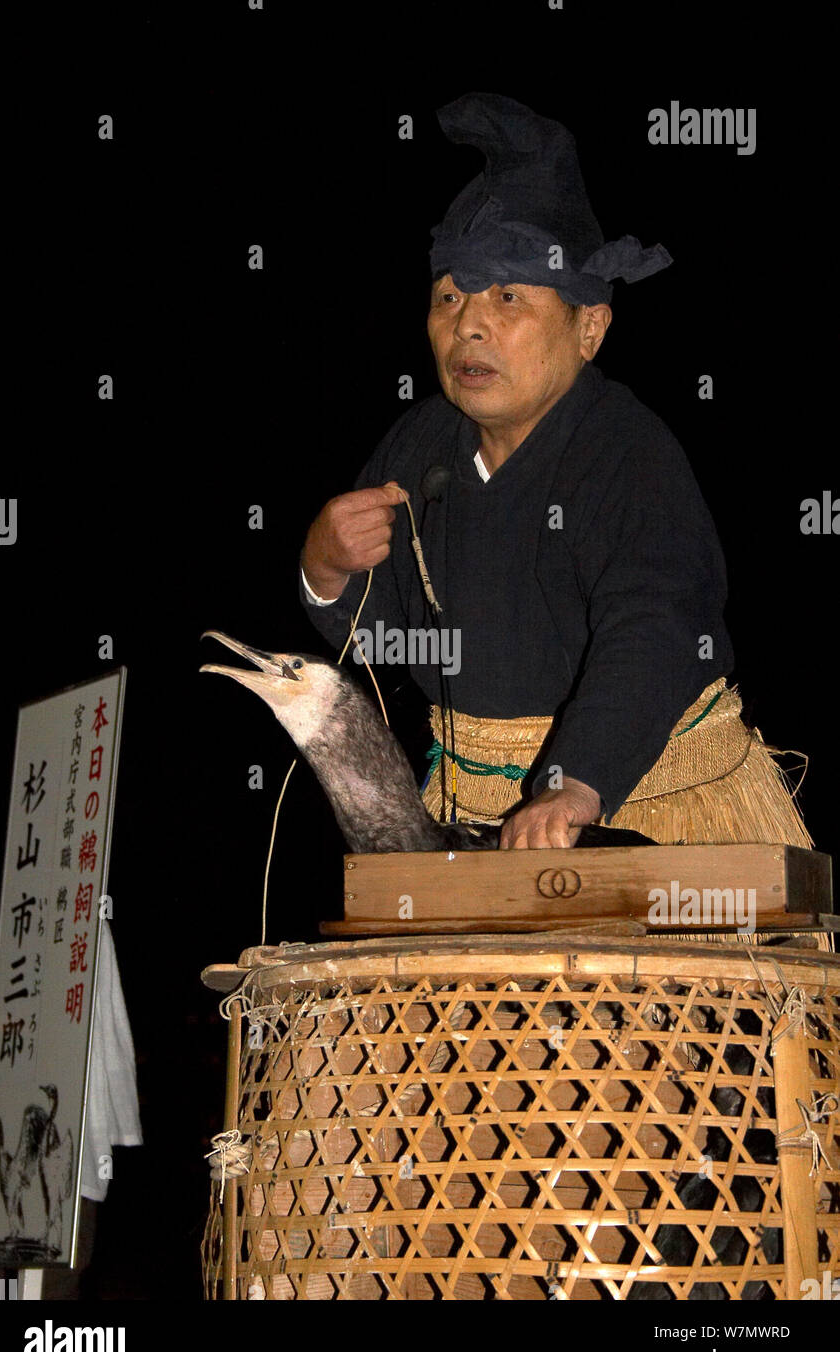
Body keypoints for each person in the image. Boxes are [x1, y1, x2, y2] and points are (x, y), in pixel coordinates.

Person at [298, 93, 812, 939]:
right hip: (477, 811)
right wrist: (325, 567)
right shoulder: (417, 445)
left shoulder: (628, 452)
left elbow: (655, 625)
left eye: (508, 300)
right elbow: (385, 636)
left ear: (590, 328)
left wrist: (576, 782)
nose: (469, 325)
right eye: (450, 296)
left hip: (646, 801)